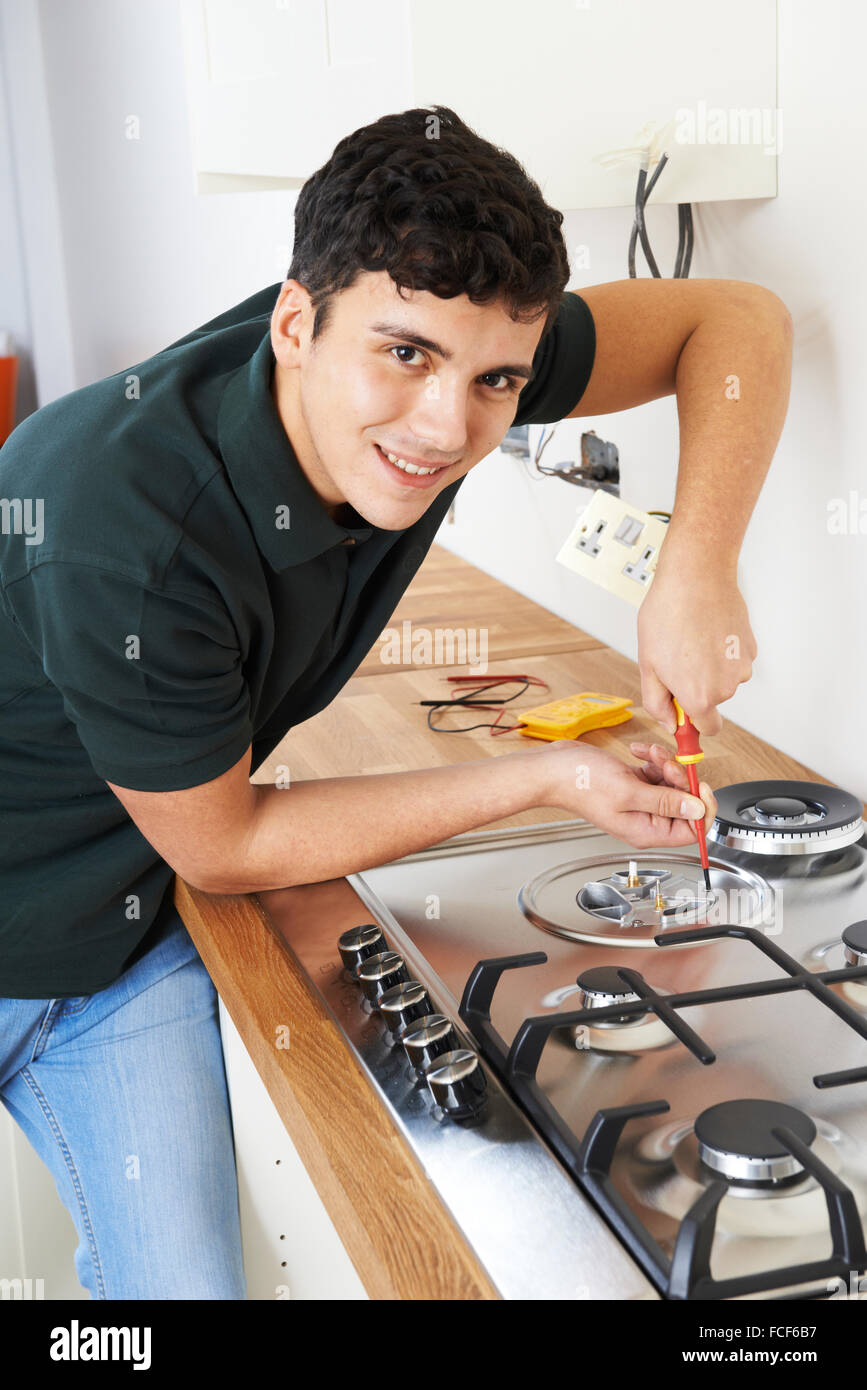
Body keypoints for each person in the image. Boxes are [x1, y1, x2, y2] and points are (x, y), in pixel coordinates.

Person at [0, 105, 792, 1299]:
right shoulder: (130, 534)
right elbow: (229, 844)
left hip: (124, 924)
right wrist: (539, 774)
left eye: (497, 382)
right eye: (406, 356)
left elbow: (733, 319)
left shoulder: (439, 353)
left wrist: (696, 561)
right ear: (295, 323)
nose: (446, 428)